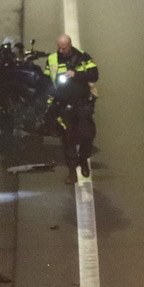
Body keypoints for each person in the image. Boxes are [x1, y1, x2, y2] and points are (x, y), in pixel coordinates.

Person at [44, 35, 99, 183]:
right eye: (59, 48)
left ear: (70, 45)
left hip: (82, 104)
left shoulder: (82, 57)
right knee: (68, 140)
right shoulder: (52, 60)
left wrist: (76, 74)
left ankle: (83, 160)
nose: (61, 51)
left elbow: (94, 74)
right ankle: (72, 173)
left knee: (88, 135)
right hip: (63, 105)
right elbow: (46, 80)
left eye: (64, 48)